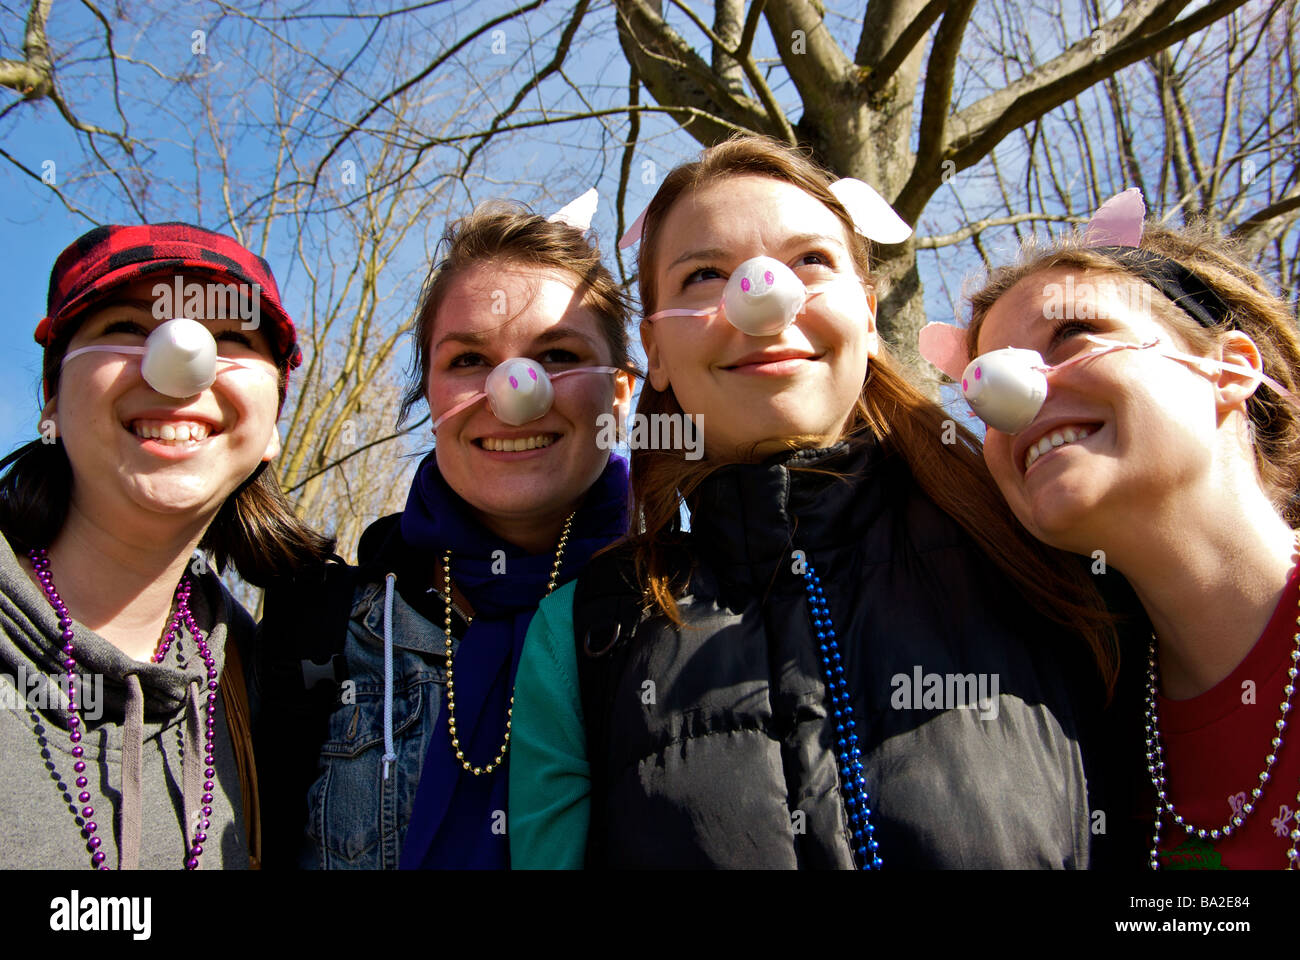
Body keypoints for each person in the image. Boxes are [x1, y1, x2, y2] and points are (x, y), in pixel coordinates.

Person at [509, 135, 1120, 870]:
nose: (764, 299)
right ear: (655, 352)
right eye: (704, 274)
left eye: (811, 261)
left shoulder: (1032, 534)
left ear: (866, 312)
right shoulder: (583, 628)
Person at [255, 201, 636, 869]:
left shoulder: (697, 622)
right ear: (429, 394)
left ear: (621, 393)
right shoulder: (317, 626)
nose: (515, 390)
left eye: (557, 353)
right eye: (468, 360)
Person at [946, 192, 1300, 869]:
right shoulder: (1065, 731)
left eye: (1072, 334)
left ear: (1229, 368)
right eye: (986, 388)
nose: (1017, 398)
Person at [0, 222, 331, 869]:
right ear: (51, 397)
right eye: (125, 328)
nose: (181, 362)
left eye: (232, 338)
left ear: (272, 428)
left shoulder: (273, 686)